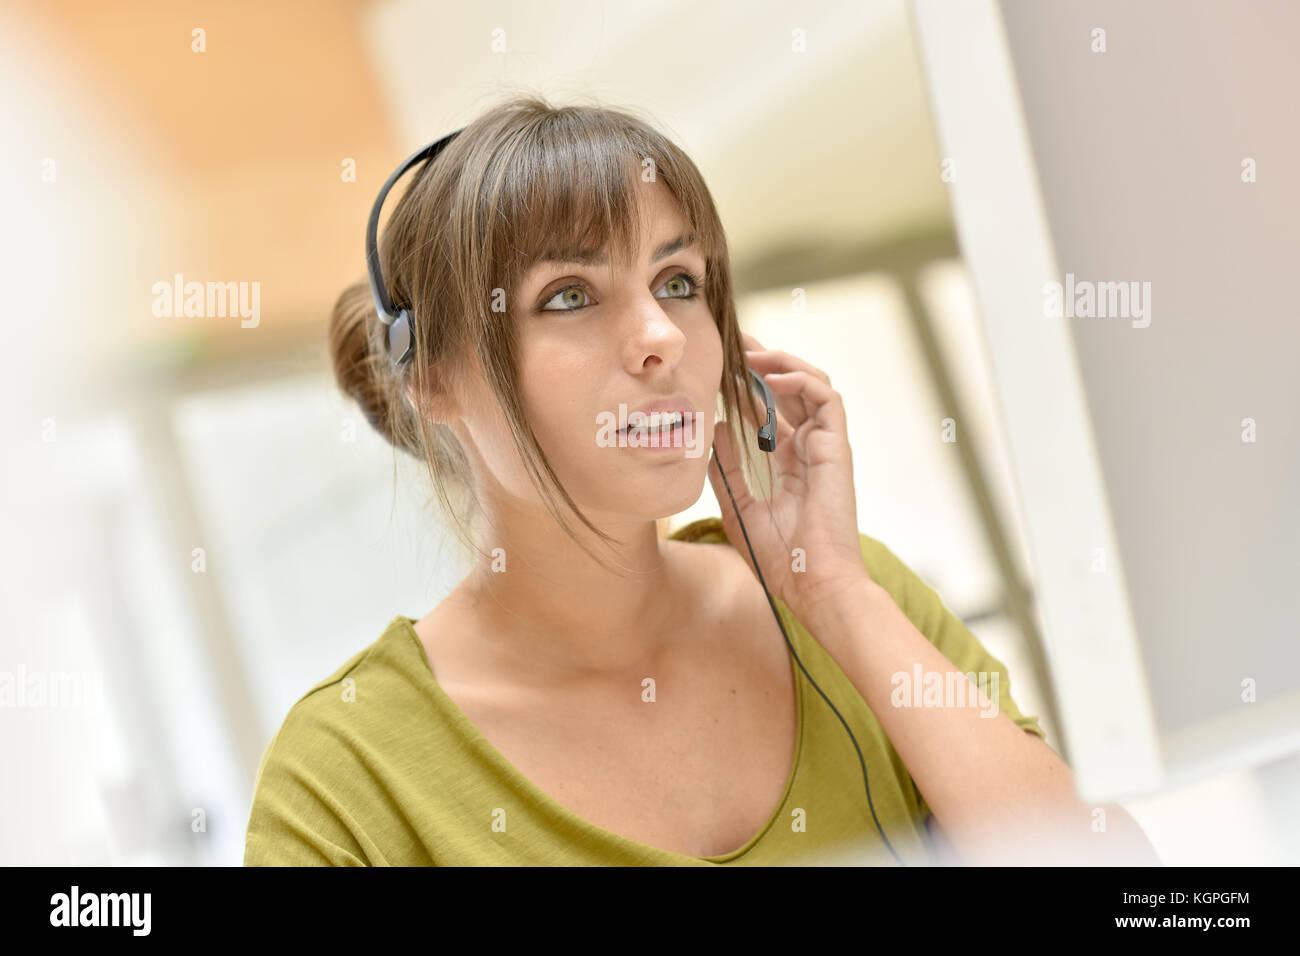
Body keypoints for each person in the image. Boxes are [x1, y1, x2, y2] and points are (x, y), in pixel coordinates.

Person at [242, 94, 1158, 866]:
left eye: (679, 280)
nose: (663, 337)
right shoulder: (345, 774)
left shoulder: (854, 595)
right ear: (431, 378)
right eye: (569, 295)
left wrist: (837, 597)